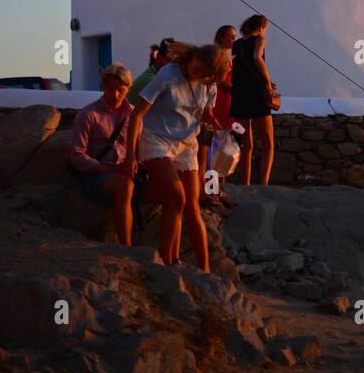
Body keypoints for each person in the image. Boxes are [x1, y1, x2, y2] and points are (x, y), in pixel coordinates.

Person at [124, 40, 227, 270]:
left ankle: (204, 270)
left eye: (204, 74)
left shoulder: (209, 83)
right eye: (197, 69)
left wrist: (210, 120)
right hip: (156, 138)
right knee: (175, 197)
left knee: (192, 206)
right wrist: (131, 154)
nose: (197, 75)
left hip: (186, 143)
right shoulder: (167, 74)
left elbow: (206, 113)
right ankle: (164, 263)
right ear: (194, 57)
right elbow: (137, 114)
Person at [69, 63, 140, 245]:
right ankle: (127, 246)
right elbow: (77, 154)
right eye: (110, 90)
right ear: (103, 87)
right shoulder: (89, 114)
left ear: (128, 89)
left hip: (125, 172)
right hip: (96, 175)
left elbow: (140, 147)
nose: (115, 95)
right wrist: (106, 168)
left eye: (120, 90)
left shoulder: (134, 115)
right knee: (125, 186)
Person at [231, 14, 276, 186]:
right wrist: (267, 82)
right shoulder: (260, 39)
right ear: (261, 27)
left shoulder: (237, 44)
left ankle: (245, 183)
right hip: (256, 94)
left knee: (246, 145)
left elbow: (238, 67)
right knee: (268, 144)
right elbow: (257, 58)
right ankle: (264, 184)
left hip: (239, 94)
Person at [197, 24, 238, 213]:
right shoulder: (220, 57)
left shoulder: (225, 57)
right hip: (217, 108)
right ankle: (212, 190)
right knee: (213, 152)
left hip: (219, 107)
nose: (233, 40)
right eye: (230, 36)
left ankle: (215, 189)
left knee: (217, 151)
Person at [128, 36, 175, 105]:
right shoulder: (152, 80)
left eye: (174, 61)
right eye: (169, 60)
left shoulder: (154, 74)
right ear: (159, 56)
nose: (172, 65)